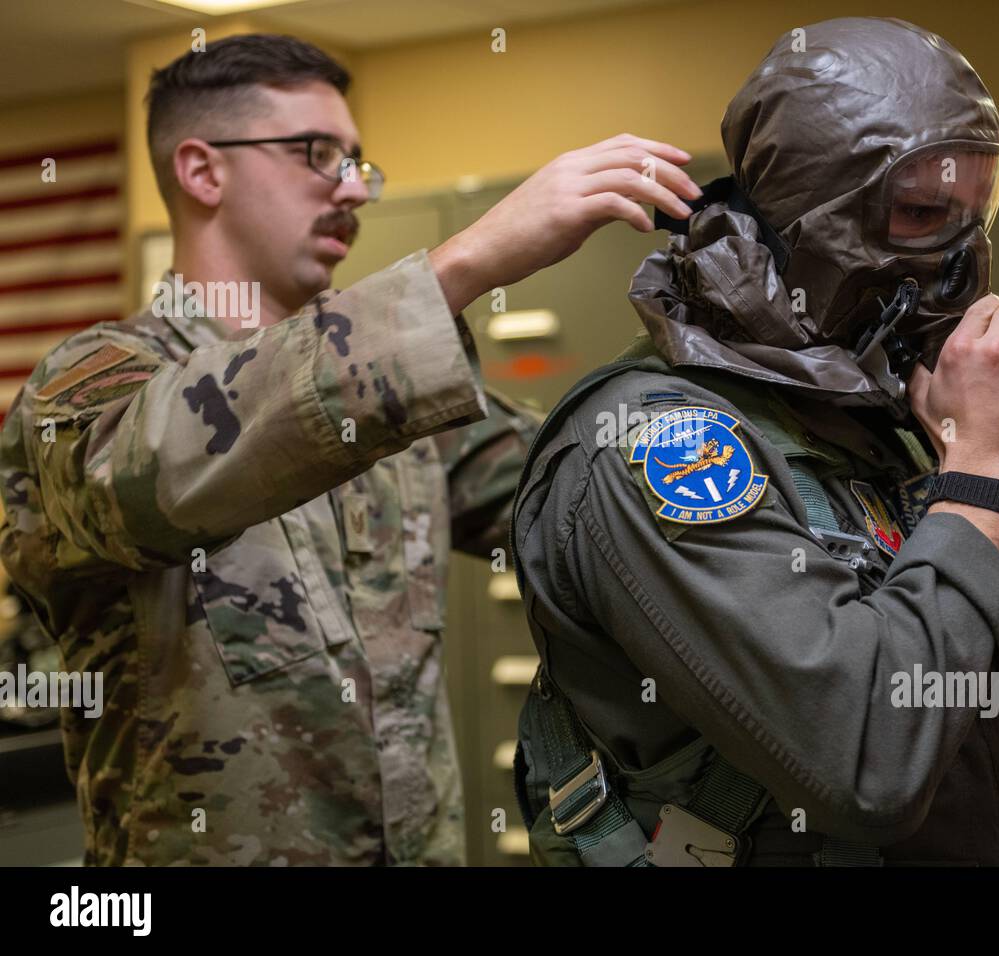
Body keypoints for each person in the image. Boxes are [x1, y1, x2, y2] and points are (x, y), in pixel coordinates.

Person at [0, 33, 701, 865]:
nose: (351, 190)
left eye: (358, 164)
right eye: (315, 154)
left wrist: (734, 344)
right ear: (202, 170)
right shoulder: (87, 384)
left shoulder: (399, 409)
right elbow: (156, 474)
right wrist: (466, 263)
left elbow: (585, 488)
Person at [510, 17, 999, 866]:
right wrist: (981, 476)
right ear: (808, 216)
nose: (962, 261)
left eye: (977, 218)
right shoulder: (663, 446)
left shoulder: (872, 414)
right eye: (919, 214)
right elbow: (870, 765)